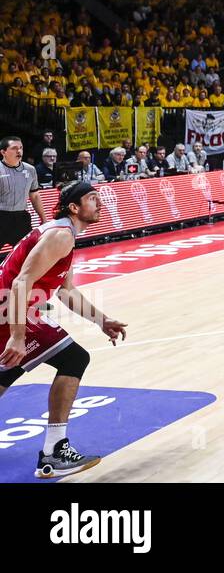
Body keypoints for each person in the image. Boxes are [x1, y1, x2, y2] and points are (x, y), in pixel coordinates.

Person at [0, 182, 128, 478]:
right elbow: (21, 283)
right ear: (74, 207)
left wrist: (101, 320)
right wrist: (18, 336)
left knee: (10, 368)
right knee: (73, 359)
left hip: (12, 308)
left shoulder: (64, 235)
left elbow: (66, 291)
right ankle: (54, 452)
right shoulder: (60, 235)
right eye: (92, 199)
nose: (99, 203)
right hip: (11, 309)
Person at [1, 137, 44, 257]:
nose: (19, 151)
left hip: (21, 218)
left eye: (20, 148)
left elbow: (35, 196)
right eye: (14, 148)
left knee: (30, 254)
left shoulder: (30, 169)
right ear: (3, 152)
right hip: (1, 216)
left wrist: (43, 218)